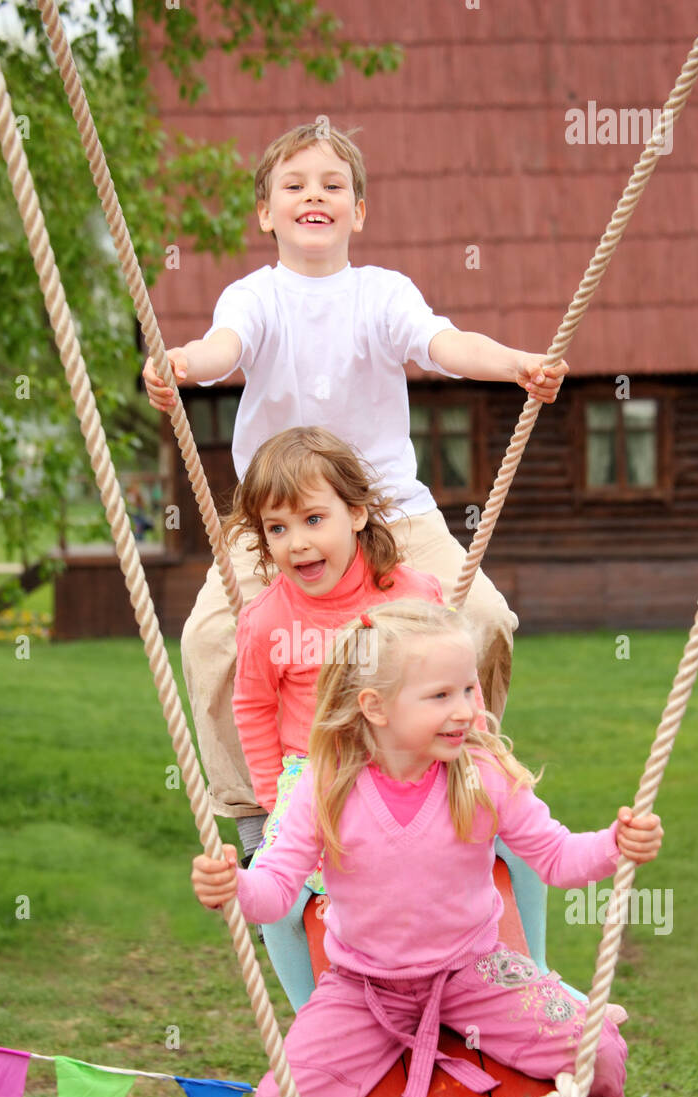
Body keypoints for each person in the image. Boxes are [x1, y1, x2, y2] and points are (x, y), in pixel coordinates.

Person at [191, 600, 662, 1097]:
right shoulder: (326, 787)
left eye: (469, 688)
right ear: (376, 707)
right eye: (441, 694)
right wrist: (232, 885)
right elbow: (273, 894)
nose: (466, 709)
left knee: (604, 1052)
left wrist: (617, 846)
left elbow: (559, 859)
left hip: (475, 974)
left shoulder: (481, 774)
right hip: (362, 990)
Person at [143, 120, 569, 863]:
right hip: (275, 520)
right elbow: (224, 349)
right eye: (295, 186)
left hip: (388, 511)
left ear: (359, 210)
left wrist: (514, 363)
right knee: (211, 638)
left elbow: (445, 343)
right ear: (265, 212)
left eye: (333, 185)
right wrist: (181, 362)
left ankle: (463, 771)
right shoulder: (258, 296)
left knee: (485, 619)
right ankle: (254, 815)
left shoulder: (381, 294)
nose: (315, 196)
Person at [225, 424, 450, 1009]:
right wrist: (274, 800)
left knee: (510, 839)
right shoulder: (268, 619)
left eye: (312, 520)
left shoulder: (408, 594)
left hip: (409, 762)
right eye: (277, 528)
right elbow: (251, 705)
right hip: (317, 771)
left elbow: (448, 680)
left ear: (355, 513)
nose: (296, 543)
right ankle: (311, 1012)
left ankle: (532, 965)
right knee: (278, 888)